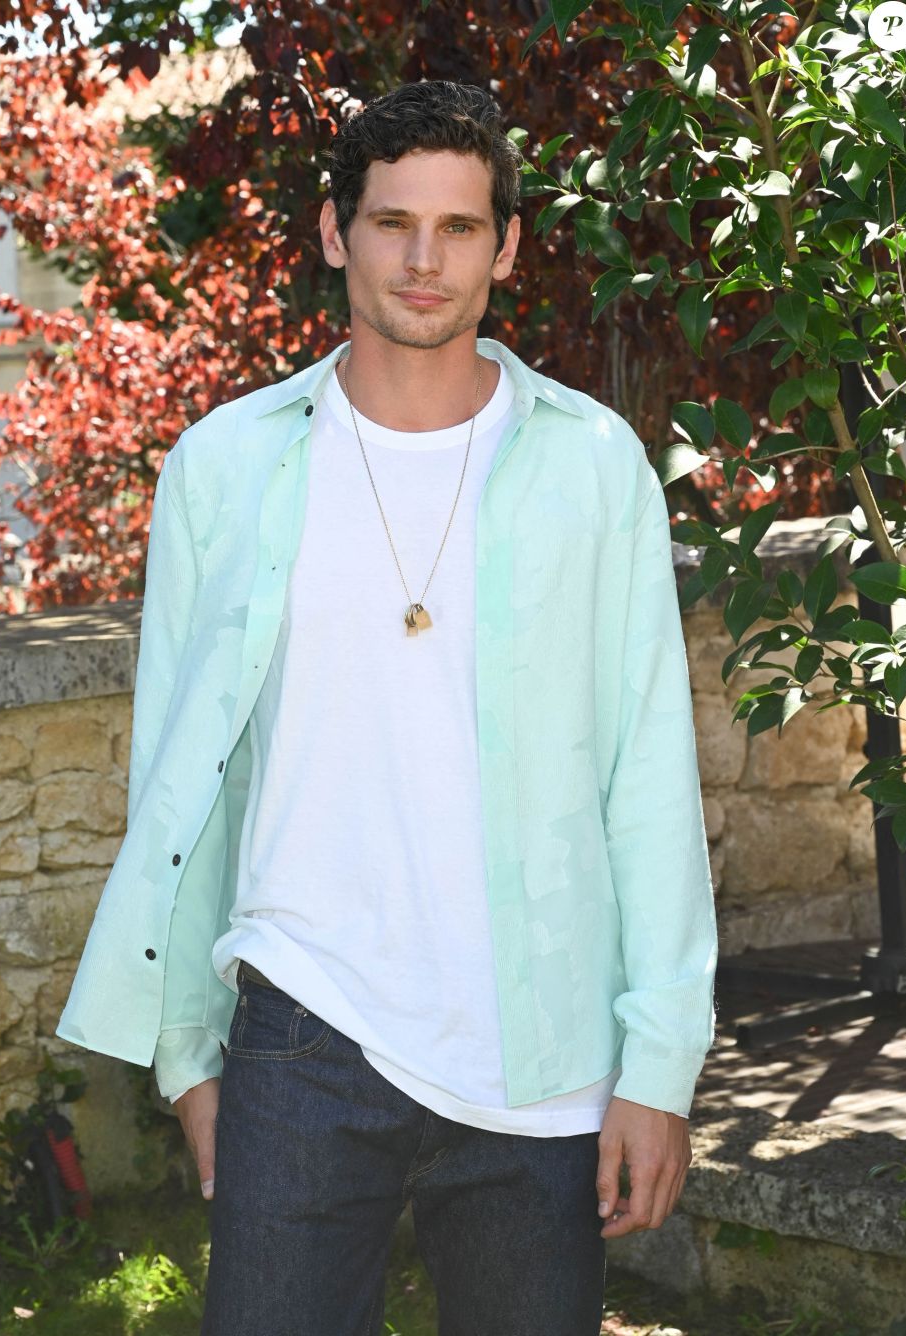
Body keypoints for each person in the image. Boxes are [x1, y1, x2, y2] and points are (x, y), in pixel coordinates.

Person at [57, 79, 718, 1335]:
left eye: (458, 227)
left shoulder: (592, 469)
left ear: (505, 246)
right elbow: (183, 779)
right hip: (300, 1032)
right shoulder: (225, 467)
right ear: (333, 232)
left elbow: (645, 775)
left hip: (539, 1052)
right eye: (391, 223)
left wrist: (659, 1064)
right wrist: (189, 1052)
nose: (424, 260)